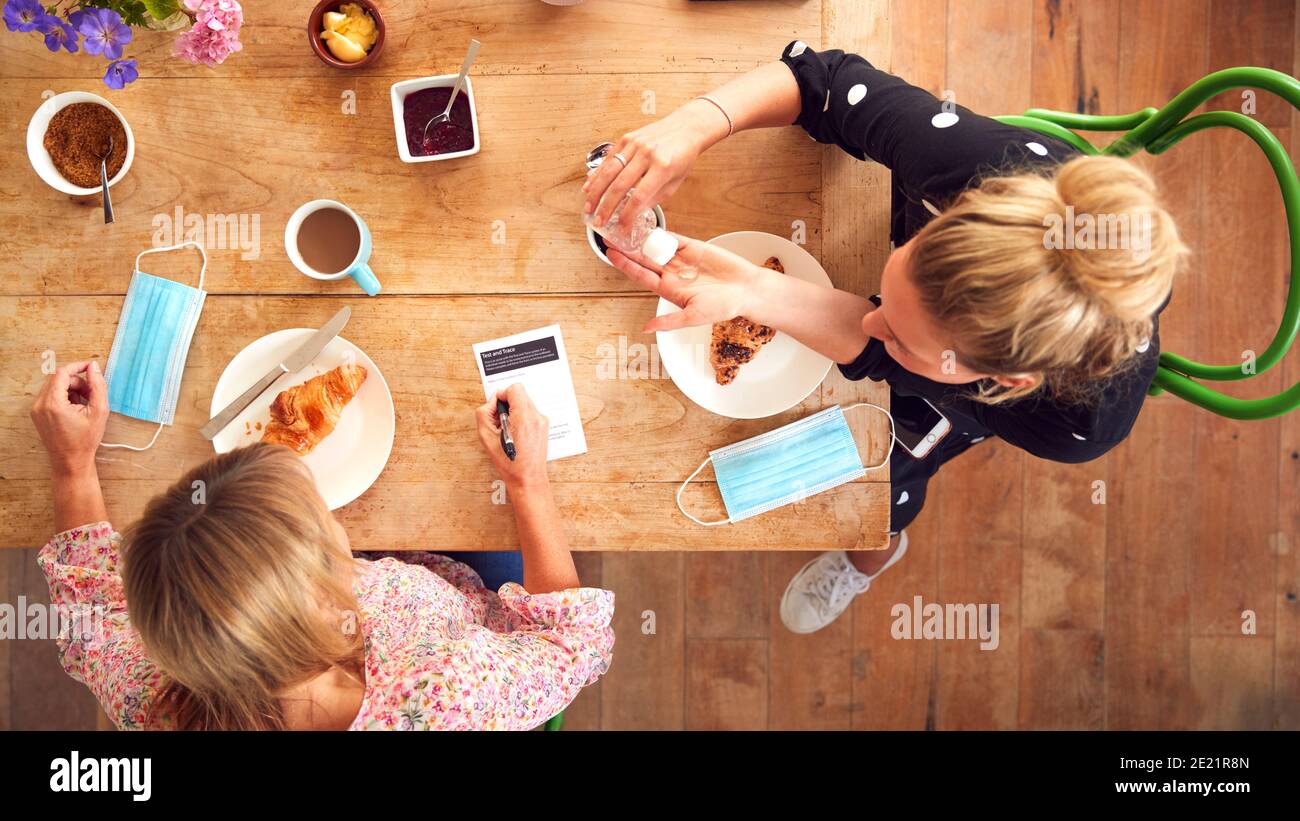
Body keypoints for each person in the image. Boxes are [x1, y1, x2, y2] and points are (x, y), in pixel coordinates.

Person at [584, 42, 1186, 633]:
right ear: (945, 213)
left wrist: (771, 299)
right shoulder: (964, 162)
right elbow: (822, 79)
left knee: (883, 491)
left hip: (956, 408)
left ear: (1002, 378)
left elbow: (874, 352)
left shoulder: (1074, 429)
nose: (868, 318)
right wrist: (692, 125)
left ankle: (870, 556)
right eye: (890, 292)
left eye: (899, 334)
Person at [31, 362, 612, 729]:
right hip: (487, 624)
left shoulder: (148, 690)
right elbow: (573, 646)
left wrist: (73, 468)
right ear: (338, 604)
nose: (339, 527)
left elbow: (94, 612)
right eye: (324, 524)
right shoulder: (444, 694)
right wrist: (527, 480)